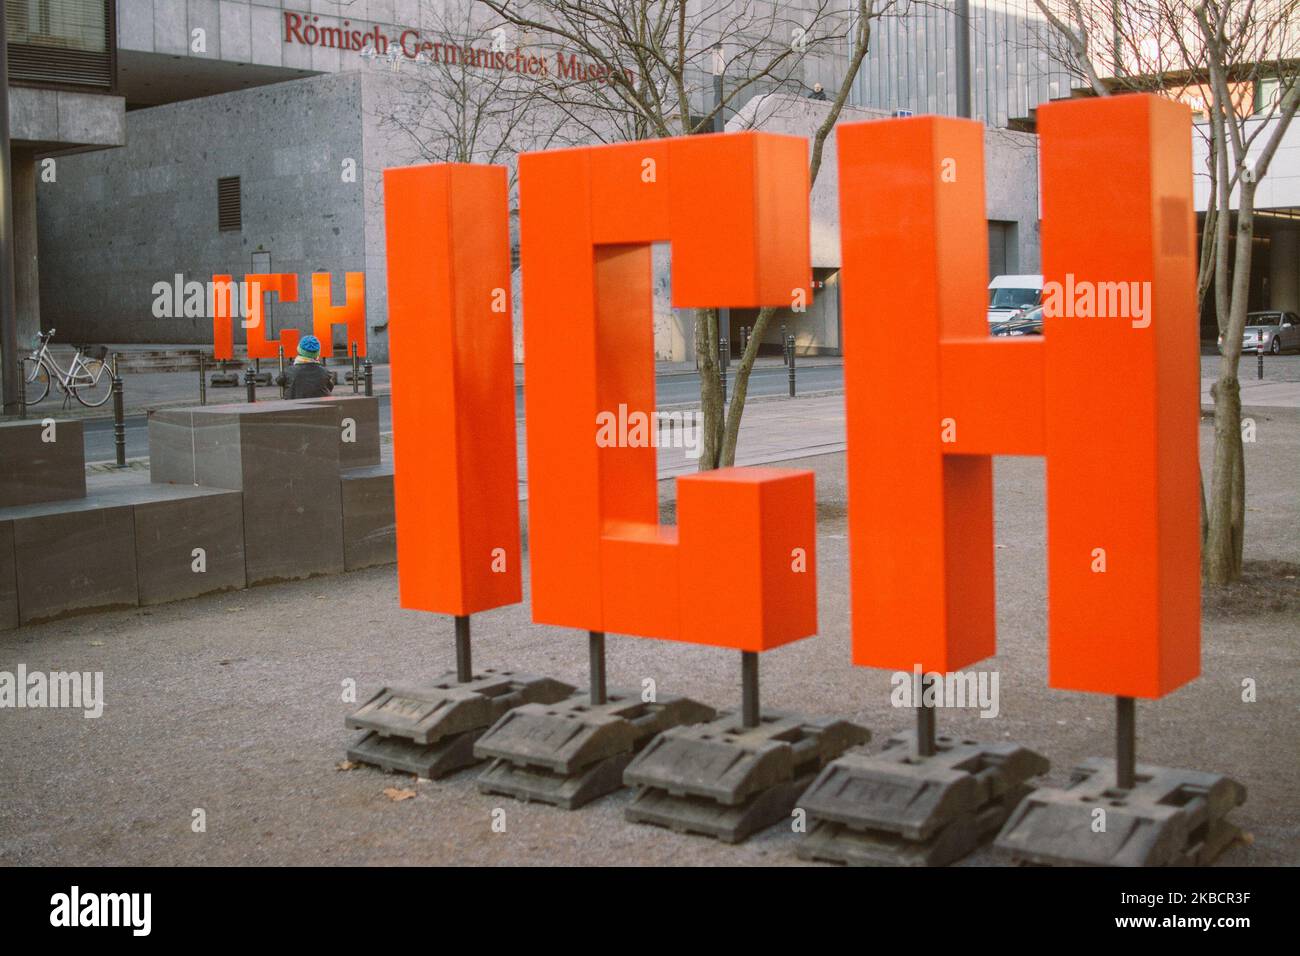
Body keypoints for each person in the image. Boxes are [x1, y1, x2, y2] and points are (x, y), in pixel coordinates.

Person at [276, 334, 335, 399]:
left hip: (295, 407)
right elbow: (330, 387)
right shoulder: (325, 372)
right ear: (317, 354)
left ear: (299, 350)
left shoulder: (289, 371)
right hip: (320, 408)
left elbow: (279, 381)